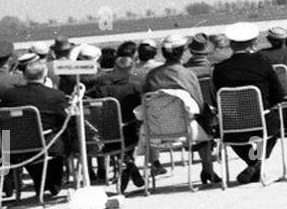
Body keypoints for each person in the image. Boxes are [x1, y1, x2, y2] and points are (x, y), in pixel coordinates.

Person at [212, 23, 287, 183]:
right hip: (262, 121)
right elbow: (278, 95)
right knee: (274, 126)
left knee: (233, 136)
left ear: (232, 44)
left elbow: (216, 99)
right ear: (253, 43)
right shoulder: (263, 64)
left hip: (232, 124)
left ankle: (253, 163)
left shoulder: (220, 69)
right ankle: (257, 162)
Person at [141, 34, 219, 185]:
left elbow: (144, 102)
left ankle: (155, 164)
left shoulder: (152, 75)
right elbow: (199, 104)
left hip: (155, 130)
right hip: (186, 129)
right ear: (182, 51)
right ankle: (208, 169)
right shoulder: (186, 74)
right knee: (205, 123)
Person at [0, 58, 72, 199]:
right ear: (45, 75)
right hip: (47, 144)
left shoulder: (9, 96)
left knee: (37, 142)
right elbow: (66, 119)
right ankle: (51, 182)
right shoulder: (55, 95)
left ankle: (44, 181)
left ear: (25, 76)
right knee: (62, 136)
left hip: (16, 145)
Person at [89, 47, 147, 190]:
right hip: (133, 134)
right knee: (132, 132)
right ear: (131, 70)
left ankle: (127, 164)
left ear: (114, 69)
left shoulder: (102, 90)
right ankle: (128, 163)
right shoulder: (136, 88)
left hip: (108, 137)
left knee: (115, 133)